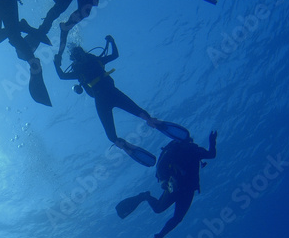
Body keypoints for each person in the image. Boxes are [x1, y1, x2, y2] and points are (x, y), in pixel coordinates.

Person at [53, 38, 190, 166]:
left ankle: (121, 143)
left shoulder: (78, 70)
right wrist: (111, 41)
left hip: (101, 100)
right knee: (139, 112)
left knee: (111, 136)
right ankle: (152, 121)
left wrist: (56, 61)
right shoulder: (96, 60)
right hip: (114, 93)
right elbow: (115, 54)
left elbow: (61, 75)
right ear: (83, 52)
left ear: (73, 59)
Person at [116, 131, 217, 238]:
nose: (190, 142)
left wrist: (212, 141)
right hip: (176, 186)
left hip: (188, 190)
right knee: (158, 209)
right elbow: (161, 168)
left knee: (177, 218)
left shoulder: (194, 149)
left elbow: (211, 155)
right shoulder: (175, 149)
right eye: (187, 140)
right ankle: (144, 196)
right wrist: (165, 182)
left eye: (189, 140)